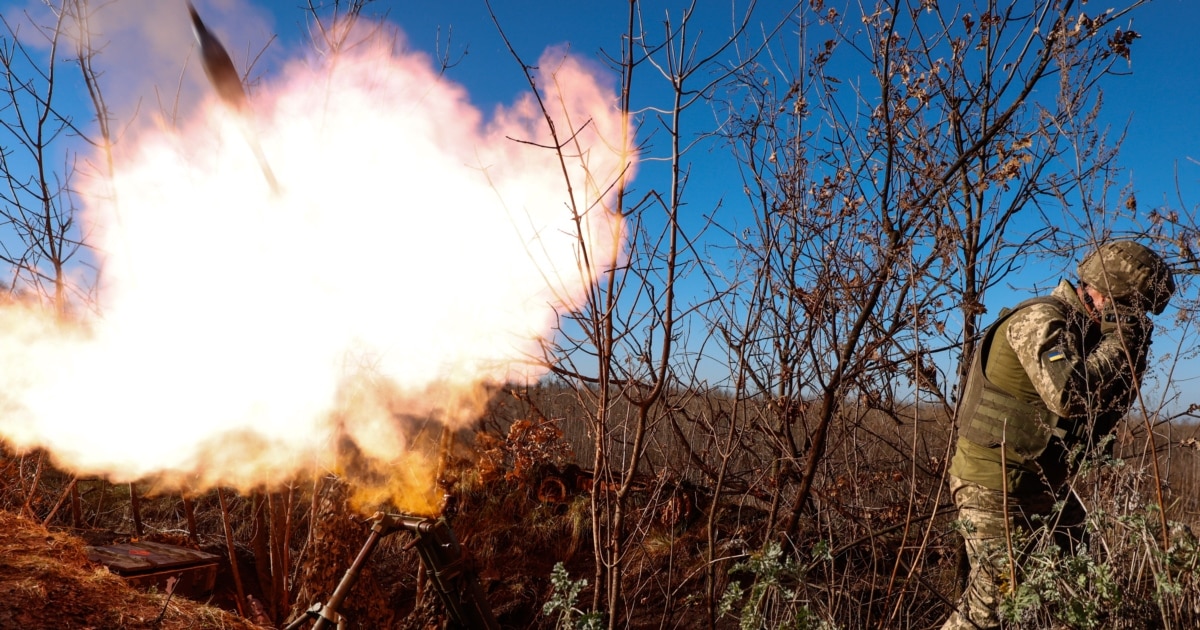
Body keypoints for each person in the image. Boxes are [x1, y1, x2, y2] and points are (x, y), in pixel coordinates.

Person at [941, 241, 1174, 630]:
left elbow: (1105, 408)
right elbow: (1069, 394)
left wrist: (1131, 352)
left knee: (1074, 577)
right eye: (1130, 307)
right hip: (994, 485)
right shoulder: (1040, 320)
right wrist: (1120, 344)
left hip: (1041, 485)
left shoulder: (1087, 332)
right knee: (994, 598)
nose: (1135, 318)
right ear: (1101, 293)